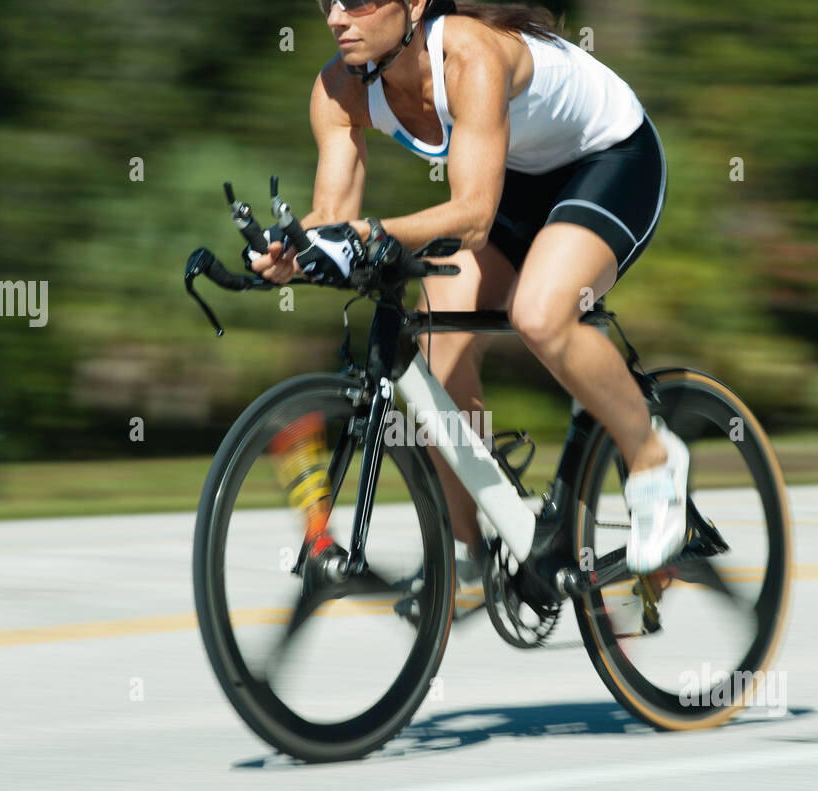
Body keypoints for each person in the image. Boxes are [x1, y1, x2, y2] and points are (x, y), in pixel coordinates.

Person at [248, 0, 689, 583]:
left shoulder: (470, 54)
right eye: (326, 1)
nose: (335, 17)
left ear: (414, 5)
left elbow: (473, 218)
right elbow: (333, 216)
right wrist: (293, 252)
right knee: (434, 356)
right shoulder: (337, 88)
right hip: (512, 179)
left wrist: (371, 234)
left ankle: (655, 459)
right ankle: (471, 553)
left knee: (539, 314)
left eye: (355, 1)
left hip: (608, 162)